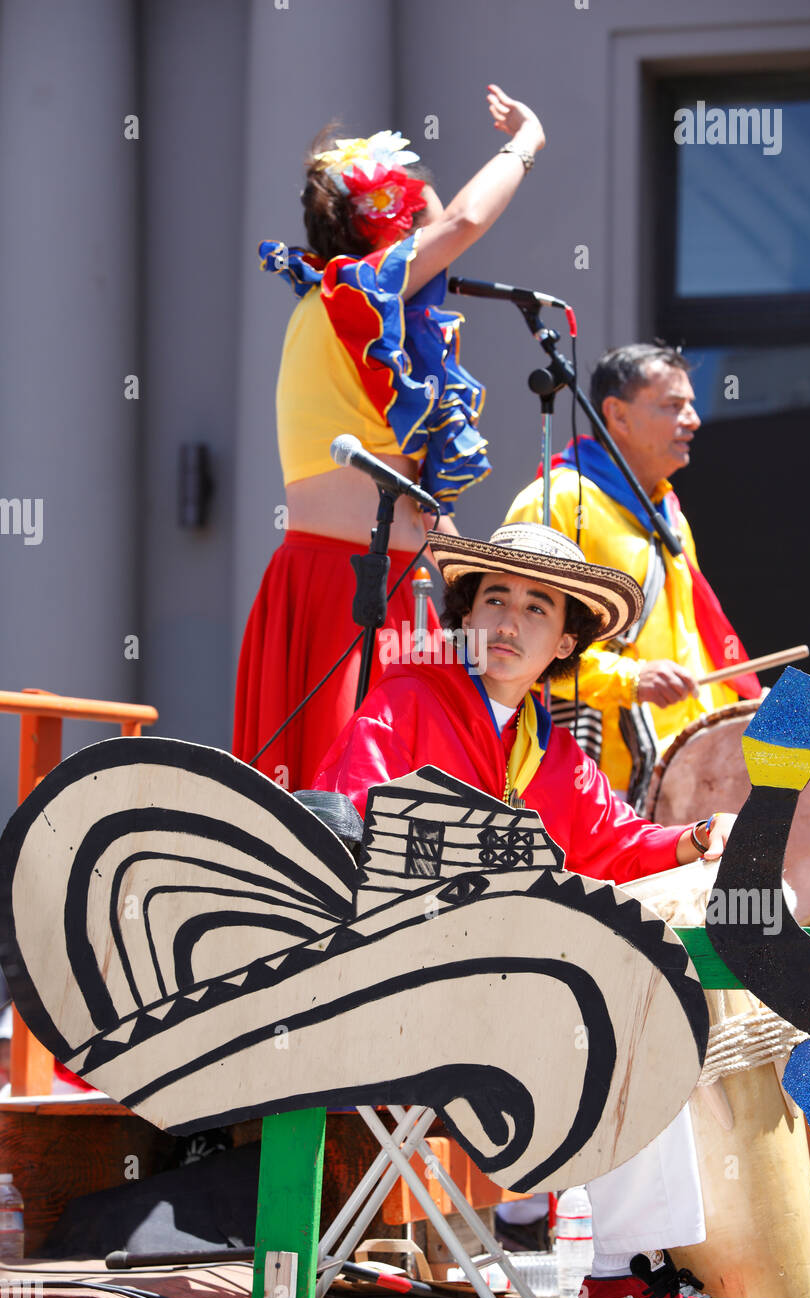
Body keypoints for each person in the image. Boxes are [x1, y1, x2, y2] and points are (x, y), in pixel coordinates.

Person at [315, 521, 735, 1298]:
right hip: (397, 998)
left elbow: (617, 841)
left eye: (537, 608)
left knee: (646, 1022)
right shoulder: (403, 701)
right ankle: (610, 1265)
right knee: (613, 1011)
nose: (508, 623)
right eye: (494, 599)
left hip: (507, 1006)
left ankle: (625, 1273)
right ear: (467, 617)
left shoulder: (554, 750)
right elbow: (347, 828)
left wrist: (699, 838)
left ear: (566, 640)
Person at [233, 84, 546, 791]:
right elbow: (464, 218)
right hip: (342, 591)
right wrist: (526, 142)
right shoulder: (355, 293)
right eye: (413, 200)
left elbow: (407, 499)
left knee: (403, 809)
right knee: (340, 813)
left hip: (386, 588)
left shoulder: (356, 318)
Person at [504, 344, 761, 795]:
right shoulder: (557, 500)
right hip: (595, 776)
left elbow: (691, 640)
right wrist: (629, 679)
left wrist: (737, 709)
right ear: (617, 415)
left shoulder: (669, 514)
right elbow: (512, 640)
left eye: (692, 405)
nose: (694, 420)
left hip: (677, 765)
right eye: (673, 406)